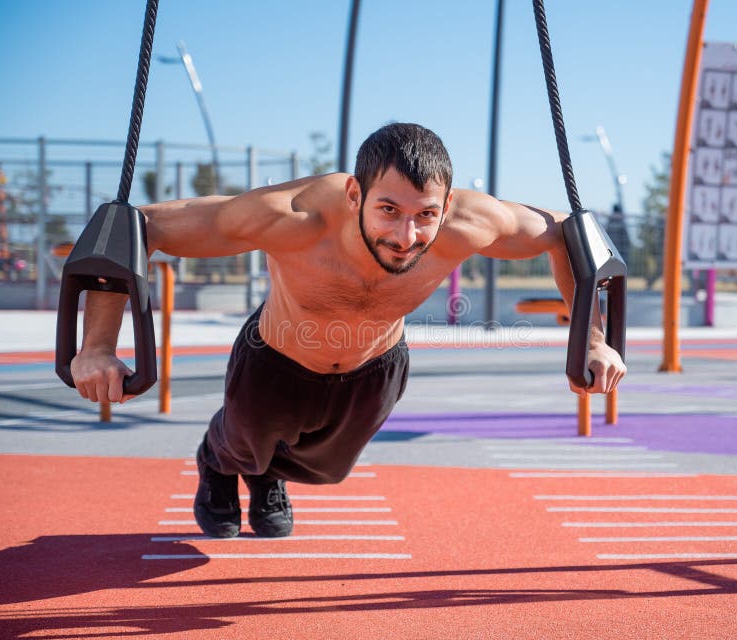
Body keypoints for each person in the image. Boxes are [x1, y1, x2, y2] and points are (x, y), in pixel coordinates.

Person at [71, 123, 626, 538]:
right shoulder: (290, 216)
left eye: (425, 215)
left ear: (448, 205)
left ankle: (264, 474)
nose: (407, 235)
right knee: (244, 441)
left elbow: (568, 237)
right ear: (356, 194)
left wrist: (595, 338)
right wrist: (96, 346)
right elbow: (135, 227)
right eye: (388, 209)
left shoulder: (471, 222)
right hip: (275, 360)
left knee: (329, 471)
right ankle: (219, 460)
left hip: (375, 367)